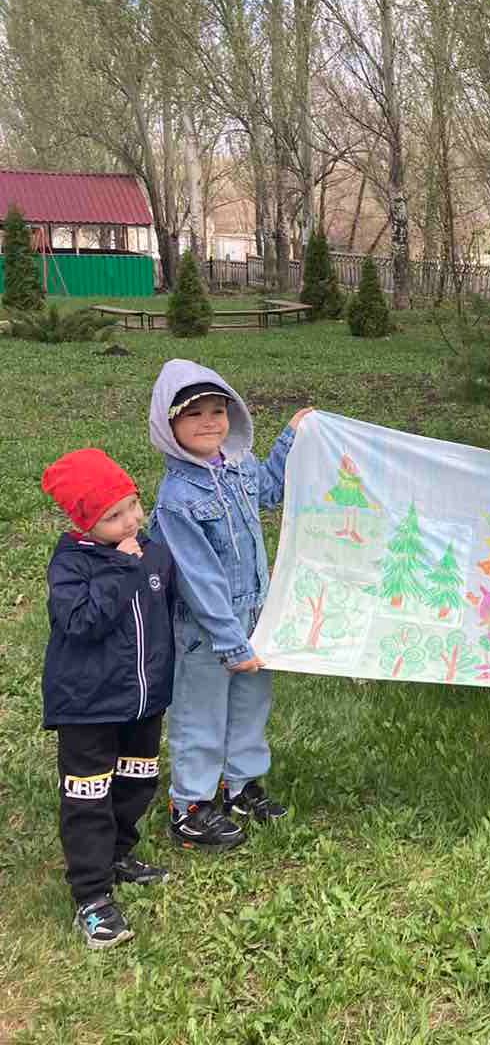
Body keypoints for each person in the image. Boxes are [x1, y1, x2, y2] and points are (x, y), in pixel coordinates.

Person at [148, 359, 312, 850]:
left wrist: (291, 437)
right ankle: (190, 806)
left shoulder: (237, 468)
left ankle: (239, 787)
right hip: (207, 630)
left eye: (218, 410)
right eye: (193, 413)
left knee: (250, 704)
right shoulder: (177, 499)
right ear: (168, 425)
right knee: (201, 712)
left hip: (254, 615)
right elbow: (198, 580)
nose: (209, 422)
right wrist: (228, 639)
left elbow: (268, 489)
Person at [41, 449, 175, 949]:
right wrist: (120, 569)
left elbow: (167, 611)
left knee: (135, 782)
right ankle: (91, 895)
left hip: (143, 701)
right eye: (112, 516)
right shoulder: (72, 564)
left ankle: (120, 852)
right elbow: (81, 623)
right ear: (83, 521)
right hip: (88, 706)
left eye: (132, 506)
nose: (129, 522)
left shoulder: (153, 551)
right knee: (88, 796)